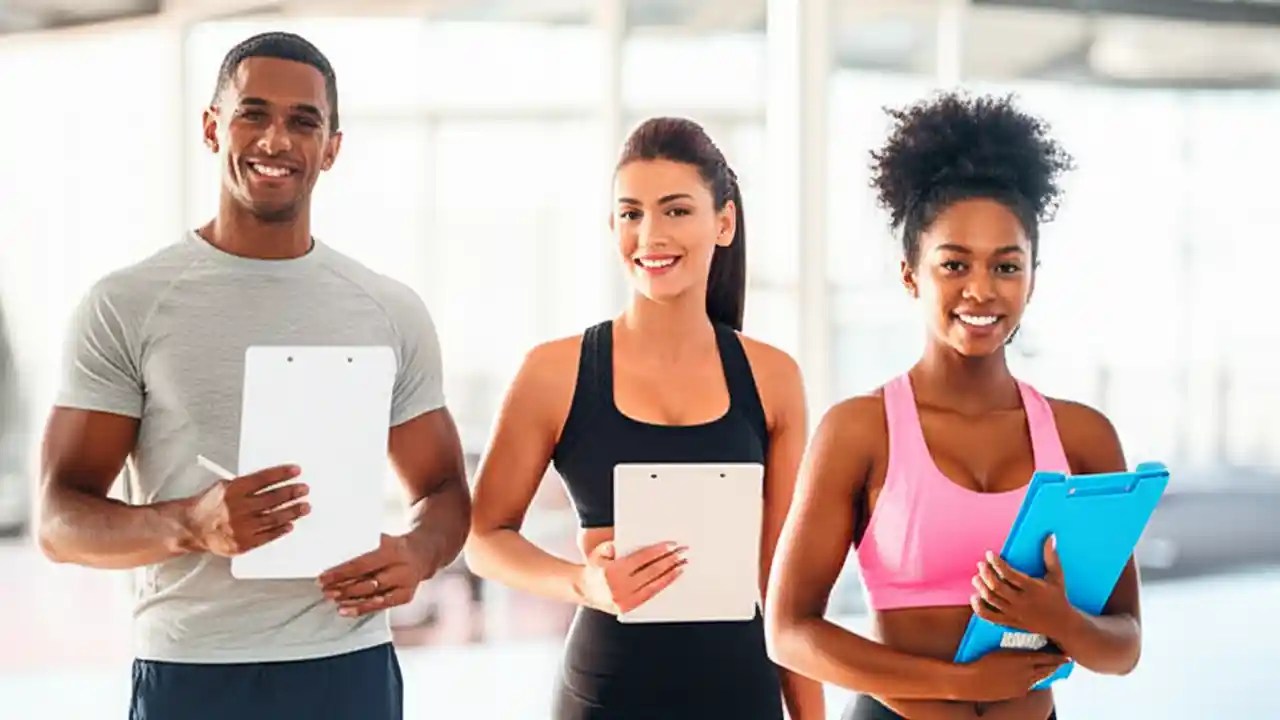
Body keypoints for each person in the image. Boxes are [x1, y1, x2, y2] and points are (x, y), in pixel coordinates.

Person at [36, 32, 470, 720]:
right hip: (192, 670)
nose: (276, 140)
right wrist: (188, 524)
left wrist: (418, 552)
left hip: (348, 666)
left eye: (304, 121)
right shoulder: (127, 304)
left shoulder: (388, 310)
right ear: (213, 128)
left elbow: (444, 489)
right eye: (253, 114)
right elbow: (59, 521)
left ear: (331, 147)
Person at [764, 92, 1145, 720]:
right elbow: (788, 630)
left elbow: (1124, 645)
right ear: (911, 274)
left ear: (1033, 278)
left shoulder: (1083, 436)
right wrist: (958, 682)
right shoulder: (860, 430)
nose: (981, 290)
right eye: (954, 265)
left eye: (1007, 267)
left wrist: (1059, 619)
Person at [464, 117, 825, 719]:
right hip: (607, 694)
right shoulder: (554, 371)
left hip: (741, 693)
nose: (650, 234)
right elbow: (482, 538)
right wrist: (583, 582)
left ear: (724, 223)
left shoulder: (774, 377)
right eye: (630, 213)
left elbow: (783, 581)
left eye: (676, 210)